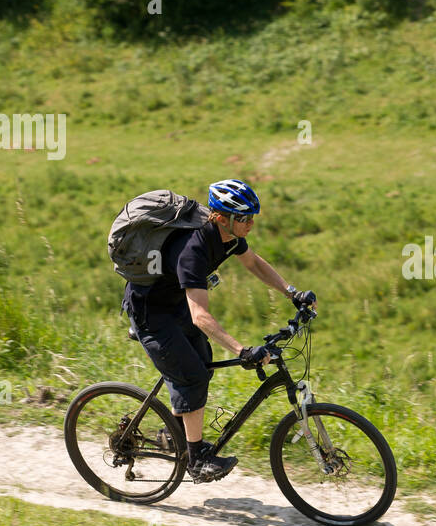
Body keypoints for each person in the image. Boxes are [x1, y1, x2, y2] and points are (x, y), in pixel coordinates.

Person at [121, 178, 316, 482]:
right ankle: (197, 460)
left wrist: (293, 293)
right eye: (244, 218)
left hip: (175, 305)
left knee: (203, 364)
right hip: (151, 313)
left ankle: (173, 434)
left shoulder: (229, 237)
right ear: (223, 219)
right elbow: (200, 315)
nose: (251, 224)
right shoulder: (193, 250)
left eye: (252, 217)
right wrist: (241, 351)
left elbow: (254, 263)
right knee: (192, 375)